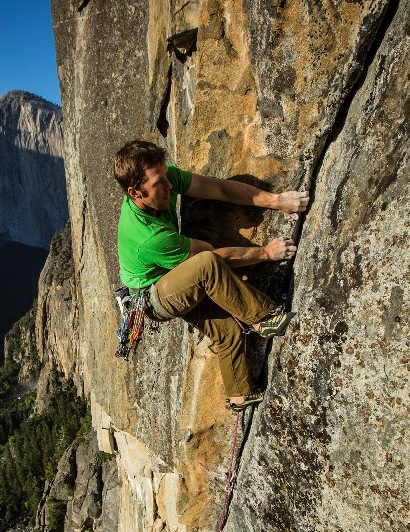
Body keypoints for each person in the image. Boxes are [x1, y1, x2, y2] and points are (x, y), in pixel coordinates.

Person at [114, 140, 309, 410]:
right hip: (154, 297)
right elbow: (212, 257)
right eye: (159, 183)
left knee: (227, 330)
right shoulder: (148, 238)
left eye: (166, 177)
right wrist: (265, 252)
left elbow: (218, 188)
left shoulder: (163, 180)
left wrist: (276, 202)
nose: (169, 185)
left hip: (171, 275)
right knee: (206, 265)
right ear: (136, 192)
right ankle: (262, 319)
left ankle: (239, 396)